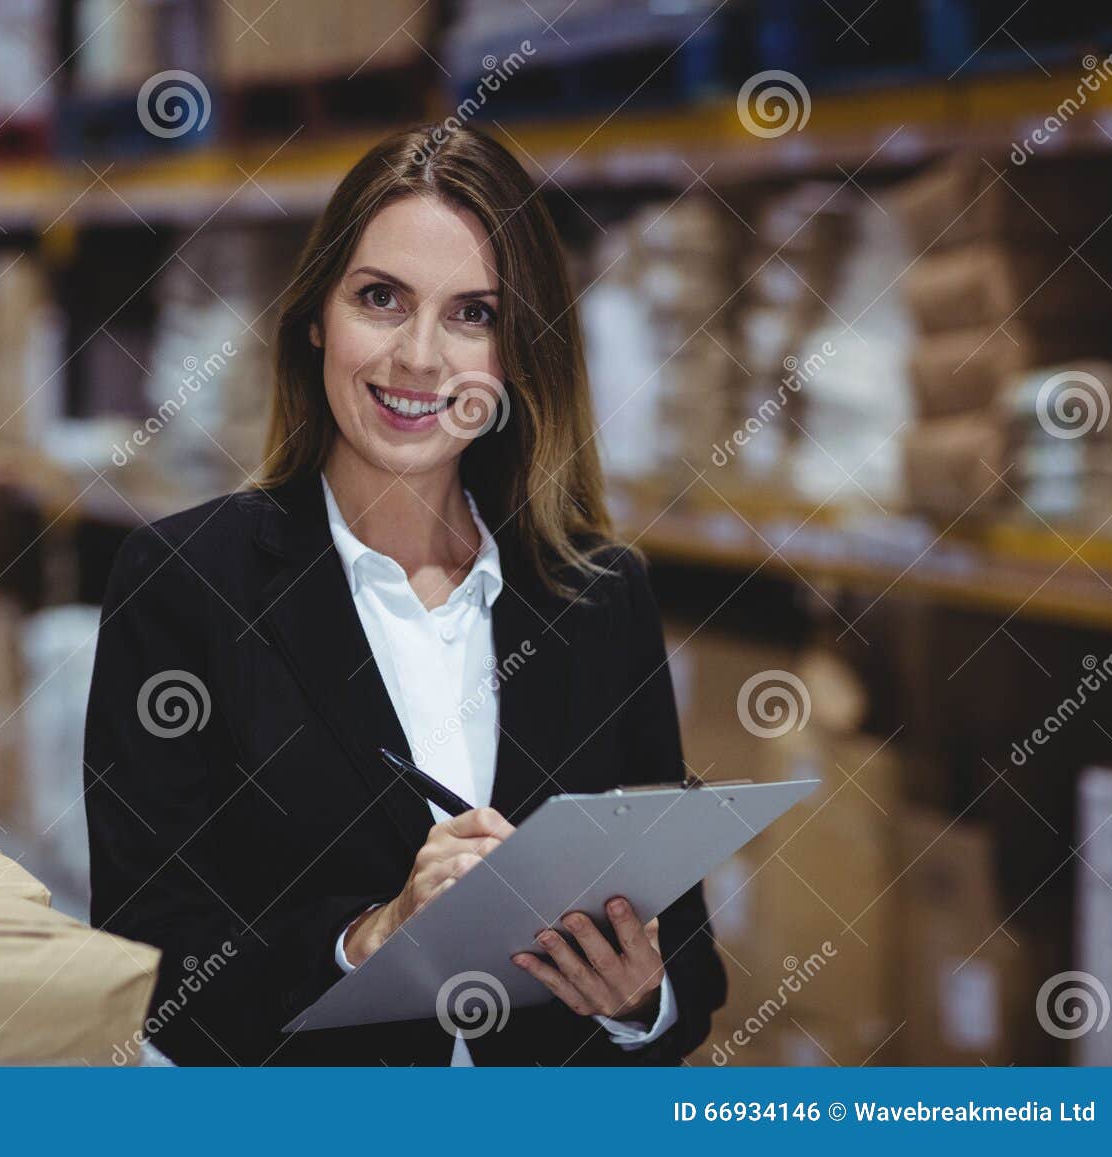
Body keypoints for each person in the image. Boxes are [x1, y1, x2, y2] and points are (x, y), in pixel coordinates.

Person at [84, 124, 726, 1065]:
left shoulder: (597, 595)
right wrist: (372, 939)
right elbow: (152, 965)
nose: (420, 357)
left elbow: (691, 970)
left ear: (517, 353)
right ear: (316, 318)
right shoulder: (187, 585)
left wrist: (638, 996)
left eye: (473, 314)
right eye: (380, 298)